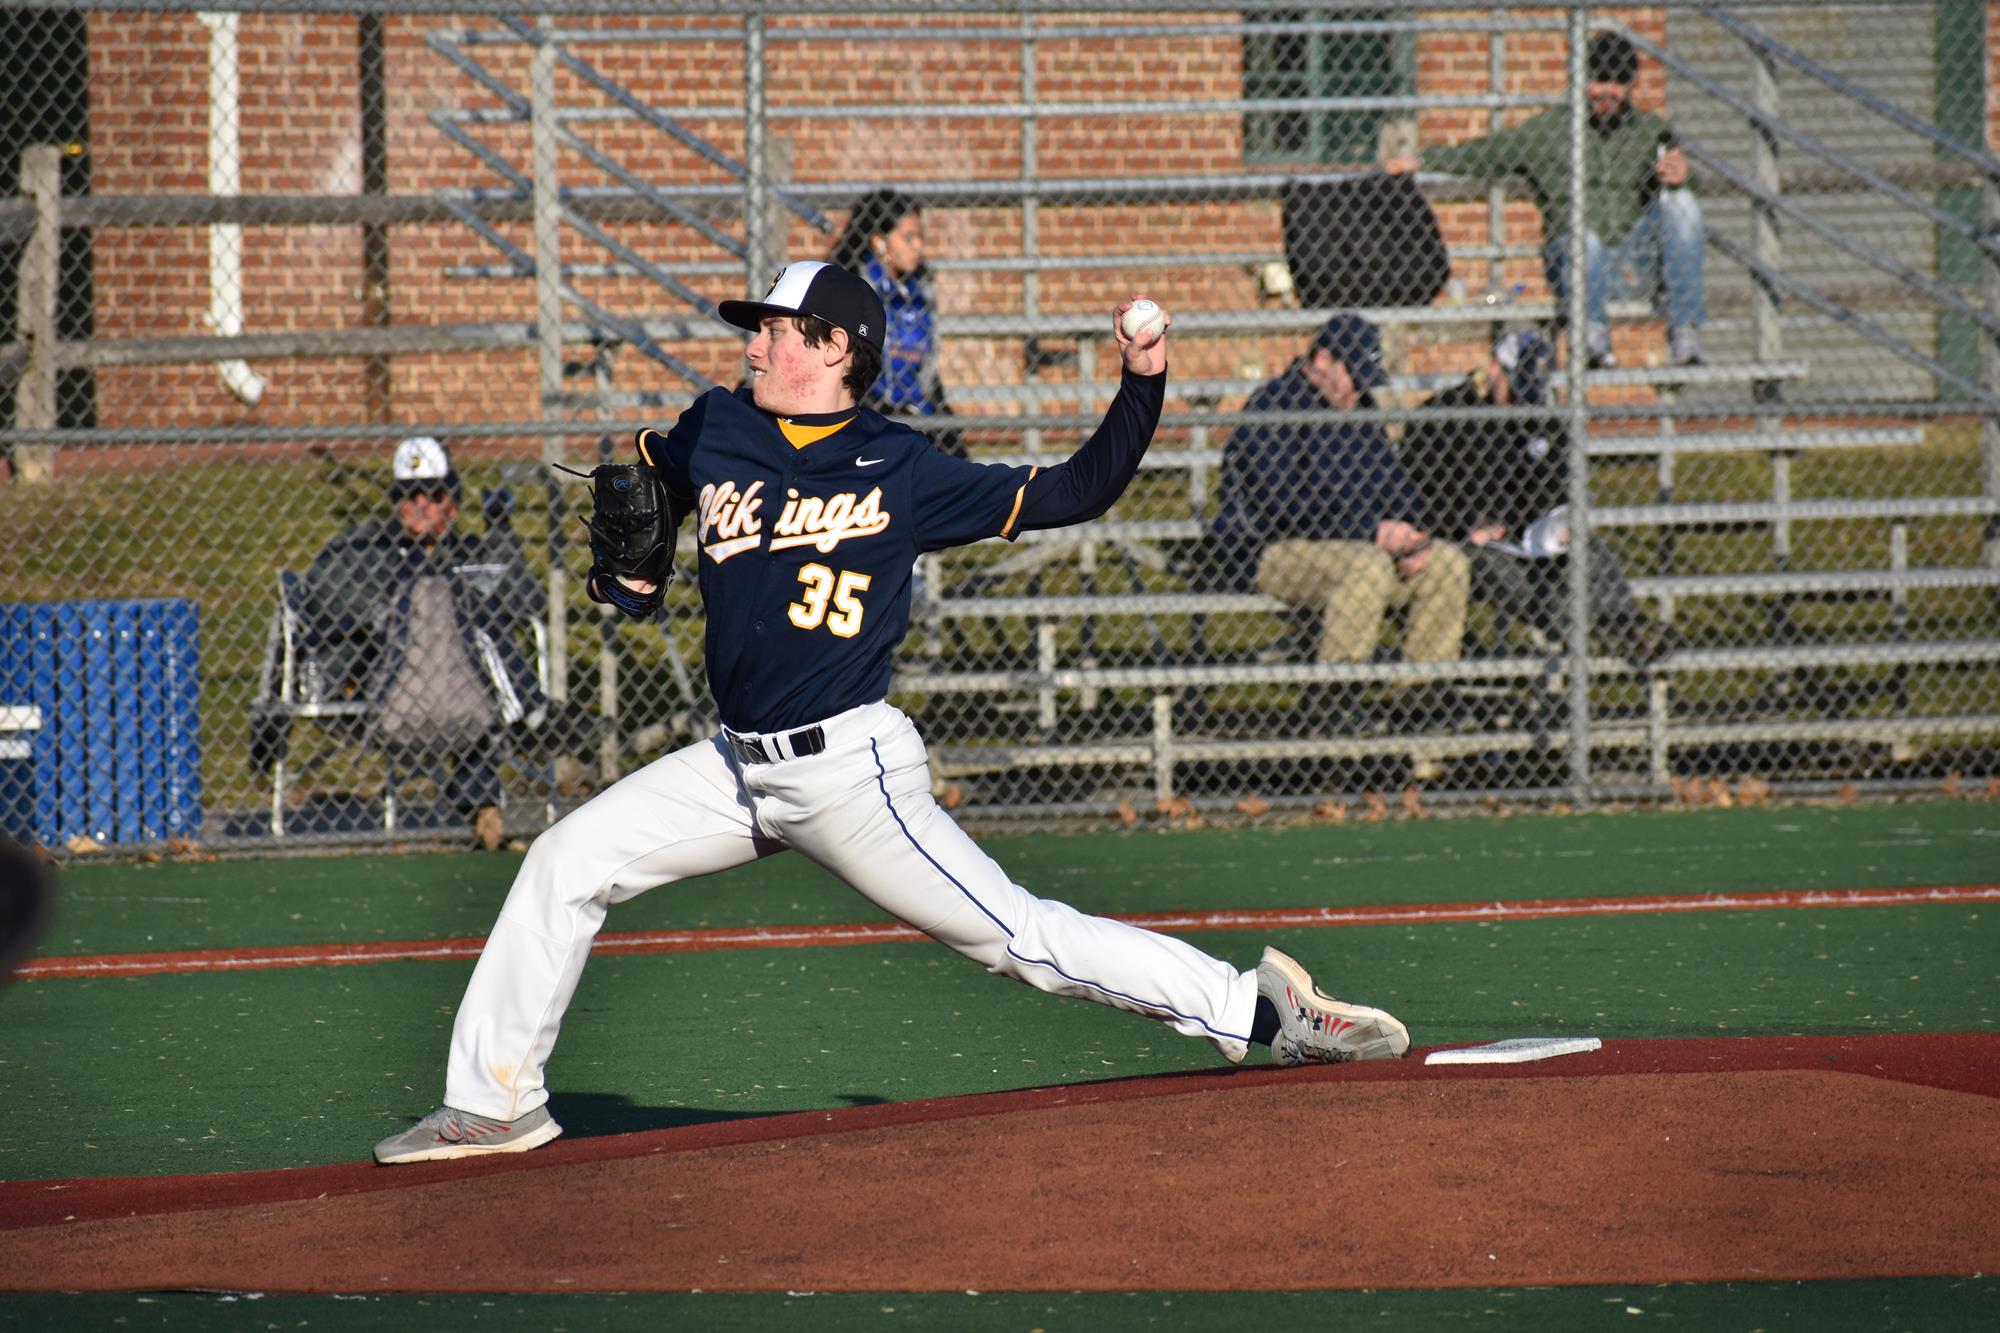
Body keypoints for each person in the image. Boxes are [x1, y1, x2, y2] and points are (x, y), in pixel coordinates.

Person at [372, 262, 1411, 1164]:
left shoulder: (899, 467)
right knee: (562, 861)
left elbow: (1078, 490)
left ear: (832, 349)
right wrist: (635, 539)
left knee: (1022, 940)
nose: (756, 344)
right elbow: (655, 466)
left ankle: (1254, 1008)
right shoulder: (718, 424)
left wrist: (1142, 384)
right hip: (735, 767)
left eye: (775, 331)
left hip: (847, 774)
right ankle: (490, 1105)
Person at [1200, 313, 1471, 723]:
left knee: (1447, 563)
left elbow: (1395, 485)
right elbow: (1283, 505)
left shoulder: (1358, 409)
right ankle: (1333, 706)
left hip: (1359, 549)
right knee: (1366, 568)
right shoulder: (1274, 406)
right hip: (1273, 552)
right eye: (1354, 375)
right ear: (1322, 361)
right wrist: (1370, 531)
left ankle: (1421, 704)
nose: (1360, 389)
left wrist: (1410, 535)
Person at [287, 436, 551, 851]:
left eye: (434, 494)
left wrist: (503, 536)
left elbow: (527, 599)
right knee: (447, 610)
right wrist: (388, 609)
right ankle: (532, 718)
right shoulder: (367, 550)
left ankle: (481, 804)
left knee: (465, 614)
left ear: (454, 503)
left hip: (463, 693)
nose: (421, 505)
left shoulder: (471, 552)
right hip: (383, 692)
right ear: (396, 502)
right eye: (409, 495)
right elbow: (321, 596)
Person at [1386, 31, 1705, 368]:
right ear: (1582, 79)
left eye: (1619, 82)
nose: (1608, 92)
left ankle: (1685, 333)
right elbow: (1487, 153)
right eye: (1599, 80)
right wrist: (1423, 161)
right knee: (1586, 241)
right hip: (1573, 260)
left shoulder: (1650, 131)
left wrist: (1683, 177)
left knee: (1683, 204)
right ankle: (1592, 340)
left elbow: (1678, 204)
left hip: (1629, 264)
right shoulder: (1551, 130)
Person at [1399, 331, 1672, 665]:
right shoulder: (1441, 418)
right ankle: (1598, 634)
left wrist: (1554, 520)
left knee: (1596, 554)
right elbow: (1417, 493)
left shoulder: (1538, 416)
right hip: (1465, 537)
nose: (1520, 400)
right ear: (1494, 368)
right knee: (1506, 574)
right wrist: (1470, 524)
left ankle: (1627, 626)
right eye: (1514, 386)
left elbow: (1552, 486)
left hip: (1525, 532)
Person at [829, 187, 964, 458]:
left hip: (917, 409)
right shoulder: (854, 287)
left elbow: (926, 365)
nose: (919, 247)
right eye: (908, 238)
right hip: (867, 410)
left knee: (964, 470)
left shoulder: (920, 288)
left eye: (920, 237)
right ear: (879, 242)